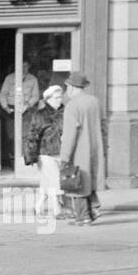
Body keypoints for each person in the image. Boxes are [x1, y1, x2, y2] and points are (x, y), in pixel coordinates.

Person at [58, 72, 103, 227]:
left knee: (77, 182)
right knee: (88, 179)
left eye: (67, 87)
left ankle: (83, 216)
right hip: (95, 147)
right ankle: (94, 207)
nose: (66, 90)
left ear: (71, 87)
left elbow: (70, 134)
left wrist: (64, 157)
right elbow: (102, 126)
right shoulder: (95, 102)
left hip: (79, 150)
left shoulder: (72, 105)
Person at [25, 84, 66, 222]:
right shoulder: (40, 115)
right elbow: (33, 136)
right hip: (45, 153)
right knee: (56, 181)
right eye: (56, 97)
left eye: (61, 97)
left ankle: (38, 207)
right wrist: (30, 155)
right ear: (48, 99)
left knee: (47, 184)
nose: (59, 100)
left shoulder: (66, 112)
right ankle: (57, 210)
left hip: (62, 152)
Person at [0, 60, 40, 161]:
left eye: (25, 65)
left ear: (29, 66)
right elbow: (2, 94)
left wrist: (27, 106)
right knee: (11, 135)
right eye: (21, 66)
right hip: (11, 109)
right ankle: (14, 160)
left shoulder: (33, 79)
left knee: (26, 135)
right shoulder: (9, 78)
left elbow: (35, 96)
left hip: (26, 109)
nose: (23, 68)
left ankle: (24, 159)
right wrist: (6, 108)